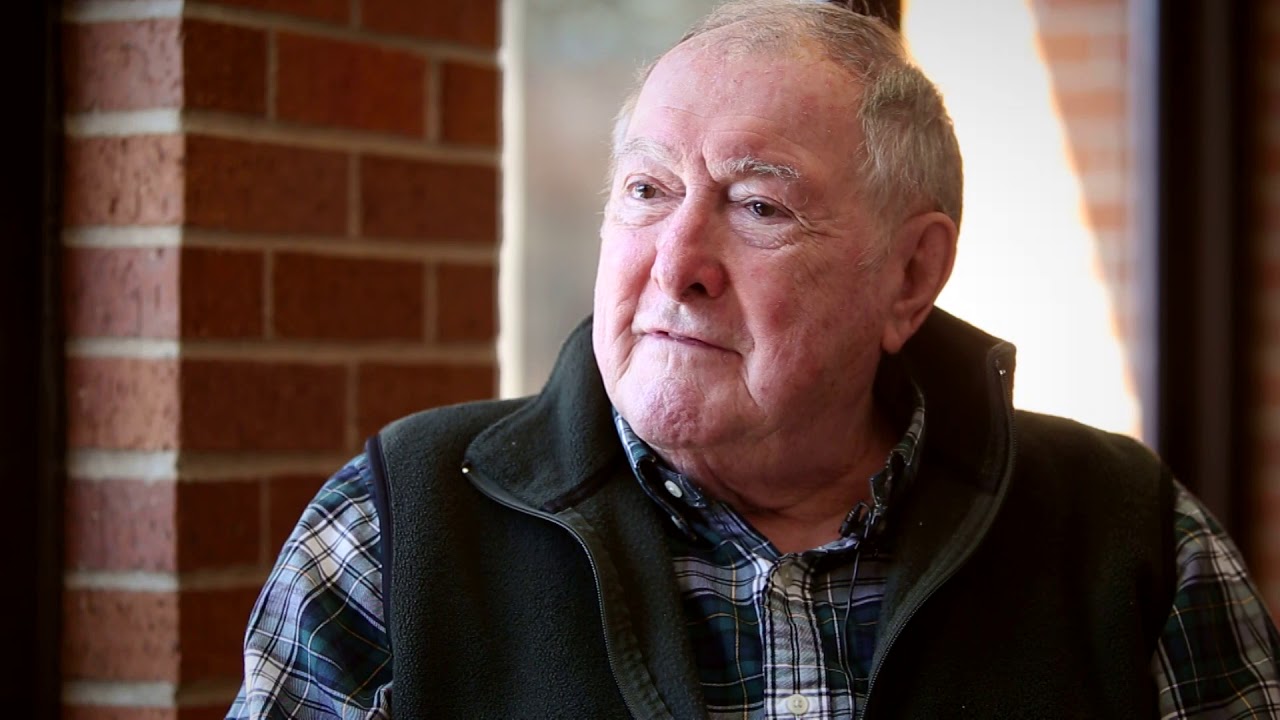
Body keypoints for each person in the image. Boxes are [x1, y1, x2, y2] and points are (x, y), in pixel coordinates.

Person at [228, 0, 1280, 717]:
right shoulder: (400, 528)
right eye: (646, 191)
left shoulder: (1125, 536)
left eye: (756, 204)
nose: (675, 263)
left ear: (909, 277)